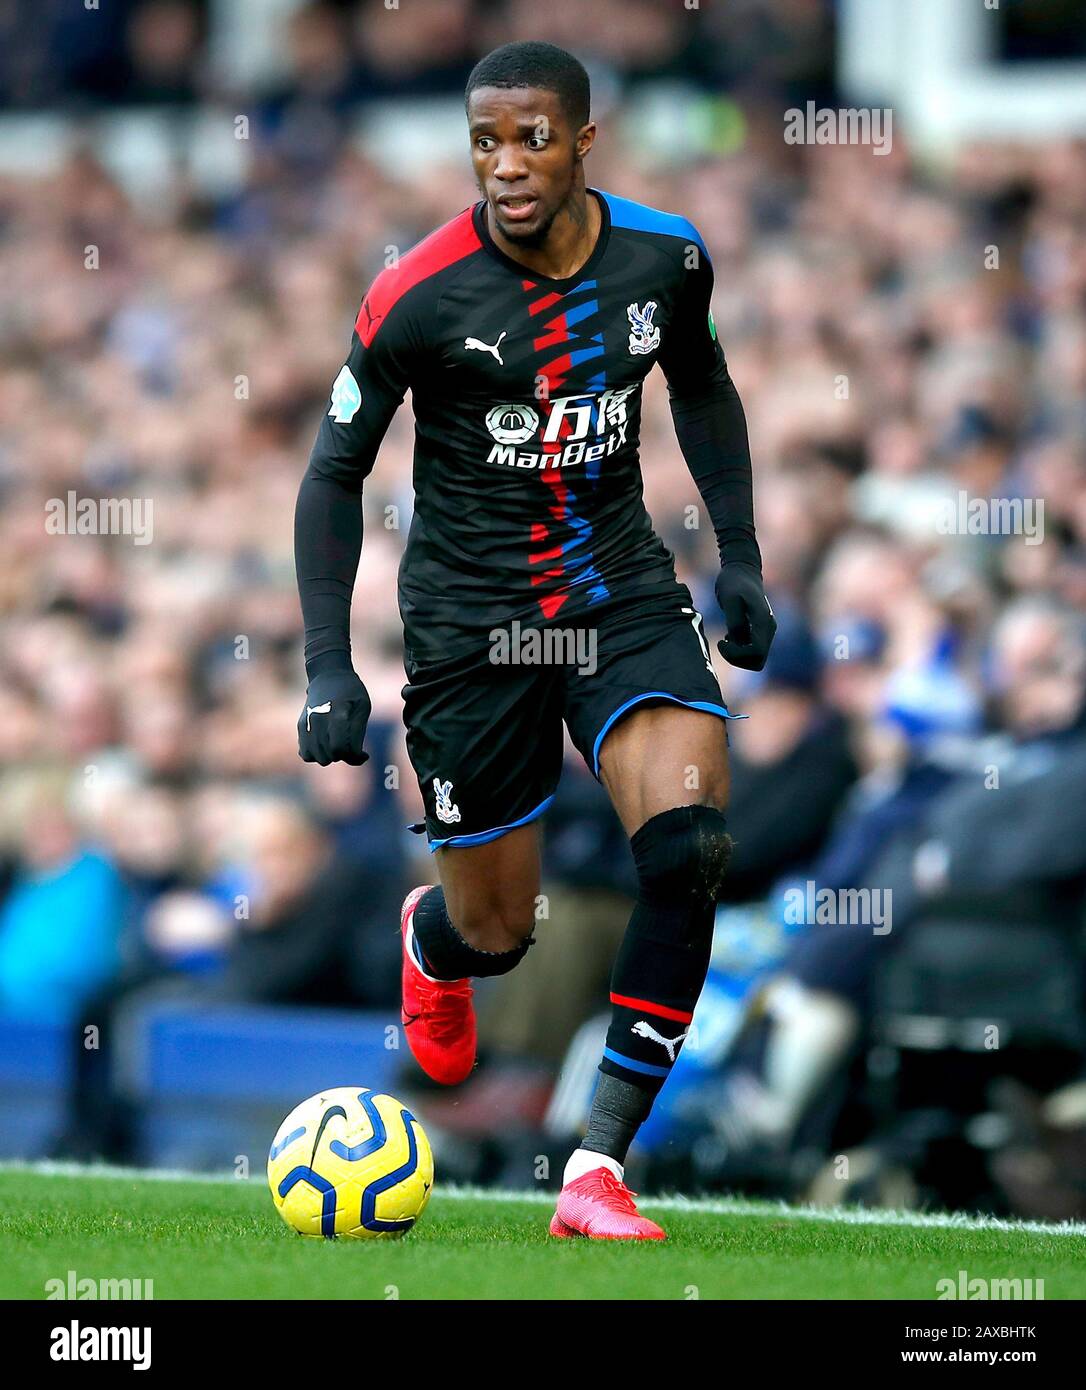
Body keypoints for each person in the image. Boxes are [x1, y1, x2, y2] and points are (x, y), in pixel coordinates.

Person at [293, 41, 775, 1240]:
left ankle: (595, 1166)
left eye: (532, 139)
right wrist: (323, 665)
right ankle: (435, 942)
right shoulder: (418, 291)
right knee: (499, 932)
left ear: (583, 140)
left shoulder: (666, 255)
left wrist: (743, 557)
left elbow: (703, 385)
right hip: (474, 628)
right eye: (485, 142)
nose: (507, 166)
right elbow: (330, 473)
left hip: (618, 592)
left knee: (690, 843)